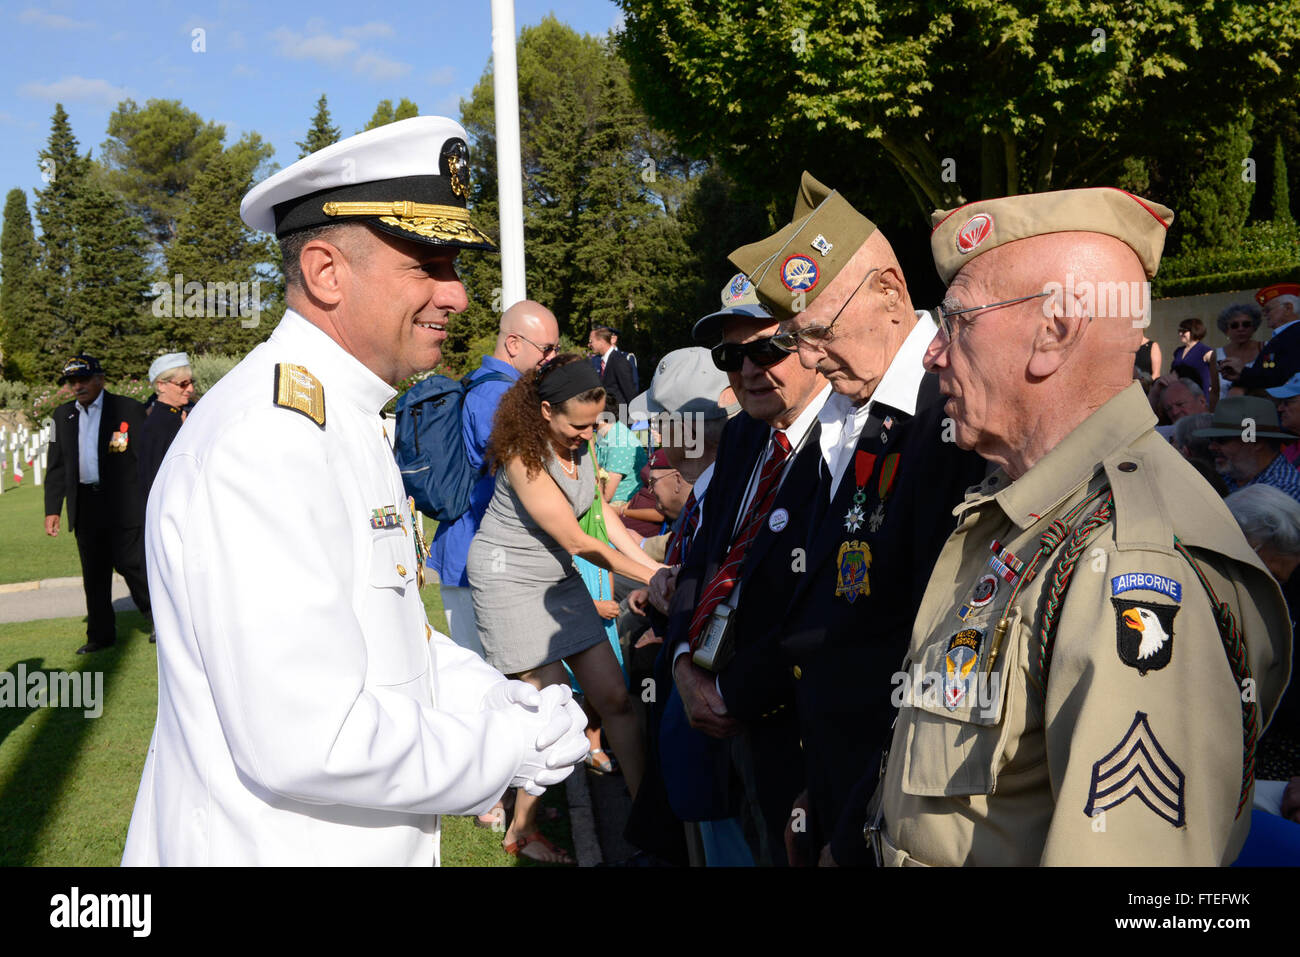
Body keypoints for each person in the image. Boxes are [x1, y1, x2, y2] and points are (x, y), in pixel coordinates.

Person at [122, 116, 589, 866]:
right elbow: (308, 734)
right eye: (430, 263)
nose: (458, 295)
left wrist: (500, 698)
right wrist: (504, 744)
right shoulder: (267, 439)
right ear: (325, 271)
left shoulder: (339, 414)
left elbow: (384, 634)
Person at [871, 186, 1291, 866]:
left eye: (957, 323)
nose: (933, 354)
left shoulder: (1134, 560)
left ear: (1055, 332)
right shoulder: (1035, 511)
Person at [722, 173, 986, 865]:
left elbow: (937, 652)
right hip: (835, 780)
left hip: (901, 804)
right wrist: (822, 784)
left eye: (819, 332)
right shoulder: (845, 410)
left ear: (891, 293)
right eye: (798, 337)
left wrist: (860, 807)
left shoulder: (950, 415)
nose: (808, 357)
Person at [467, 353, 663, 862]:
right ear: (546, 411)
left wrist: (648, 566)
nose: (587, 434)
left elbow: (601, 520)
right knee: (549, 715)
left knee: (615, 699)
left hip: (557, 579)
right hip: (511, 582)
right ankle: (521, 831)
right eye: (577, 425)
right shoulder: (521, 454)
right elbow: (577, 540)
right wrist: (656, 575)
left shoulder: (585, 443)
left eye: (595, 423)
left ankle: (646, 817)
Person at [427, 299, 560, 659]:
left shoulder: (491, 387)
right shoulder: (498, 396)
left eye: (555, 349)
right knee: (489, 681)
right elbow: (528, 472)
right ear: (514, 344)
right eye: (546, 348)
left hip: (474, 554)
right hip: (480, 559)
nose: (551, 357)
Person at [44, 354, 152, 654]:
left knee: (132, 564)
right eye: (71, 381)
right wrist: (52, 509)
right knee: (94, 573)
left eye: (82, 379)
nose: (77, 386)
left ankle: (157, 619)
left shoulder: (127, 409)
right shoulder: (60, 416)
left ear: (100, 379)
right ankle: (100, 635)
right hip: (85, 503)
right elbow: (55, 466)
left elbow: (144, 460)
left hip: (122, 502)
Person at [1194, 396, 1300, 503]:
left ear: (1257, 442)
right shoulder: (1228, 475)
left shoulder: (1285, 492)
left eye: (1221, 439)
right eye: (1211, 439)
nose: (1212, 446)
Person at [137, 352, 197, 498]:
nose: (190, 389)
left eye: (191, 382)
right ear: (161, 385)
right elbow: (153, 480)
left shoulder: (181, 415)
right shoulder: (158, 424)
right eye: (183, 384)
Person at [1222, 283, 1300, 392]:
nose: (1264, 315)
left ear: (1288, 308)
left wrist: (1243, 371)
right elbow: (1268, 374)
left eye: (1268, 310)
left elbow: (1282, 377)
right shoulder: (1284, 335)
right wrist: (1240, 375)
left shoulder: (1295, 335)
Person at [1215, 303, 1263, 398]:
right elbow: (1215, 392)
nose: (1241, 329)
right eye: (1234, 325)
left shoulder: (1265, 348)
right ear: (1226, 329)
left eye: (1246, 324)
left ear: (1254, 327)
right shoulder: (1216, 355)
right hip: (1227, 410)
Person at [1170, 317, 1217, 404]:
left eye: (1184, 331)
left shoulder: (1205, 351)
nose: (1180, 333)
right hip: (1180, 395)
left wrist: (1212, 386)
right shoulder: (1178, 351)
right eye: (1179, 331)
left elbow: (1219, 371)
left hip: (1199, 397)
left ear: (1194, 331)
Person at [590, 325, 637, 409]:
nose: (589, 344)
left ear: (601, 341)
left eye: (591, 341)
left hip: (620, 415)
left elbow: (629, 392)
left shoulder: (619, 361)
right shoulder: (602, 360)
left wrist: (633, 415)